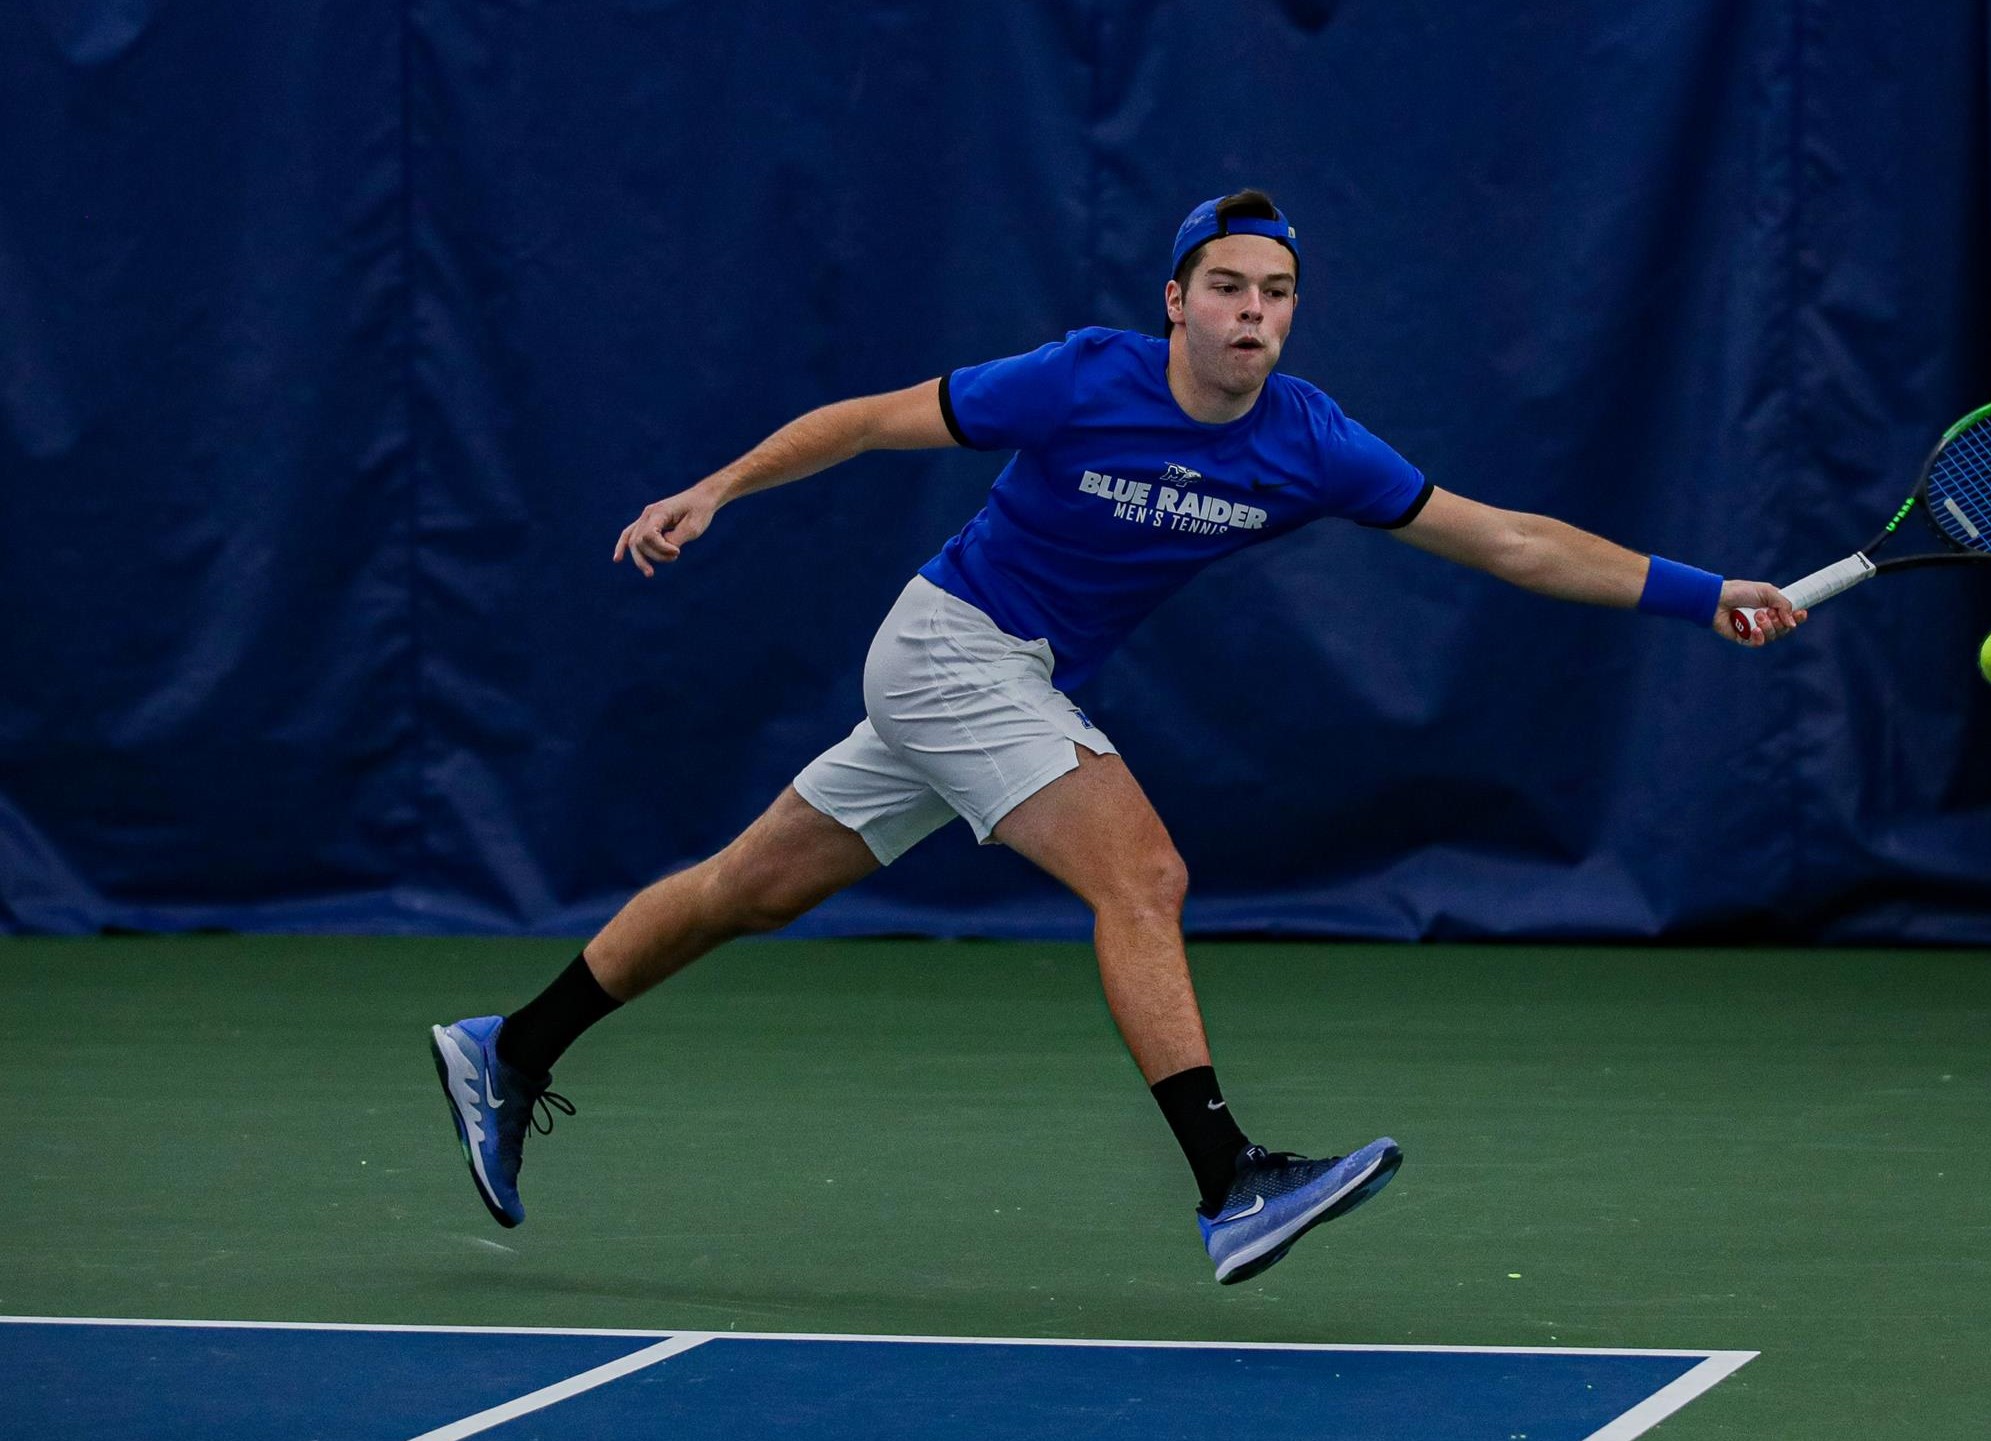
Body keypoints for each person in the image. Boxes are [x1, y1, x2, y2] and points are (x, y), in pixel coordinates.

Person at [432, 190, 1803, 1286]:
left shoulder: (1311, 443)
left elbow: (1506, 538)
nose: (1249, 313)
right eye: (1226, 288)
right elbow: (865, 421)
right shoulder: (1079, 380)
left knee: (752, 886)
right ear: (1176, 300)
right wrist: (714, 488)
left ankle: (516, 1045)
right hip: (949, 647)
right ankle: (1229, 1178)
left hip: (1007, 677)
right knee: (1141, 875)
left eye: (1273, 295)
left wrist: (1700, 593)